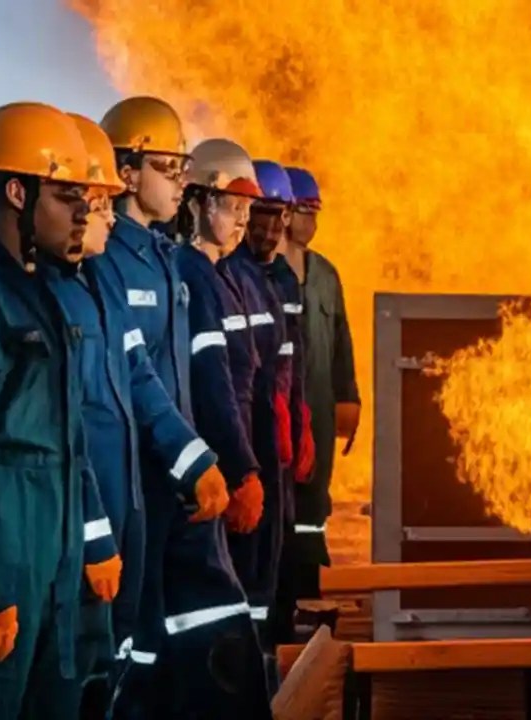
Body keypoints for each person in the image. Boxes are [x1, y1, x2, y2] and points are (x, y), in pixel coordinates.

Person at [0, 102, 120, 719]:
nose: (83, 211)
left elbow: (70, 439)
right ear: (17, 191)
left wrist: (91, 544)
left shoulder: (46, 295)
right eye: (67, 196)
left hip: (54, 569)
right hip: (4, 570)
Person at [94, 96, 230, 719]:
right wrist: (188, 458)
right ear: (127, 174)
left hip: (169, 482)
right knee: (129, 646)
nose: (181, 180)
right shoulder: (109, 264)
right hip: (136, 481)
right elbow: (134, 379)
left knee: (164, 637)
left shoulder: (160, 256)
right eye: (169, 166)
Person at [169, 137, 279, 716]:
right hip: (210, 472)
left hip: (231, 460)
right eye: (233, 207)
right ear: (199, 200)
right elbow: (212, 385)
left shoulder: (223, 274)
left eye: (246, 211)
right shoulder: (194, 273)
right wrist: (239, 469)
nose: (241, 222)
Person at [222, 160, 304, 684]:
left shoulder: (283, 279)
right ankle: (244, 670)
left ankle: (262, 659)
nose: (269, 228)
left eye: (278, 217)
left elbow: (293, 363)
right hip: (247, 438)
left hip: (273, 438)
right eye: (259, 215)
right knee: (244, 559)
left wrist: (299, 420)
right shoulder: (236, 277)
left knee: (271, 556)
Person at [279, 166, 360, 632]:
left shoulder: (326, 275)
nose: (311, 220)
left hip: (320, 410)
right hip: (277, 414)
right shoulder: (262, 272)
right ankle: (278, 600)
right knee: (280, 506)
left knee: (313, 509)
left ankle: (307, 593)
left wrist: (349, 400)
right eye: (304, 210)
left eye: (315, 211)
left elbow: (341, 339)